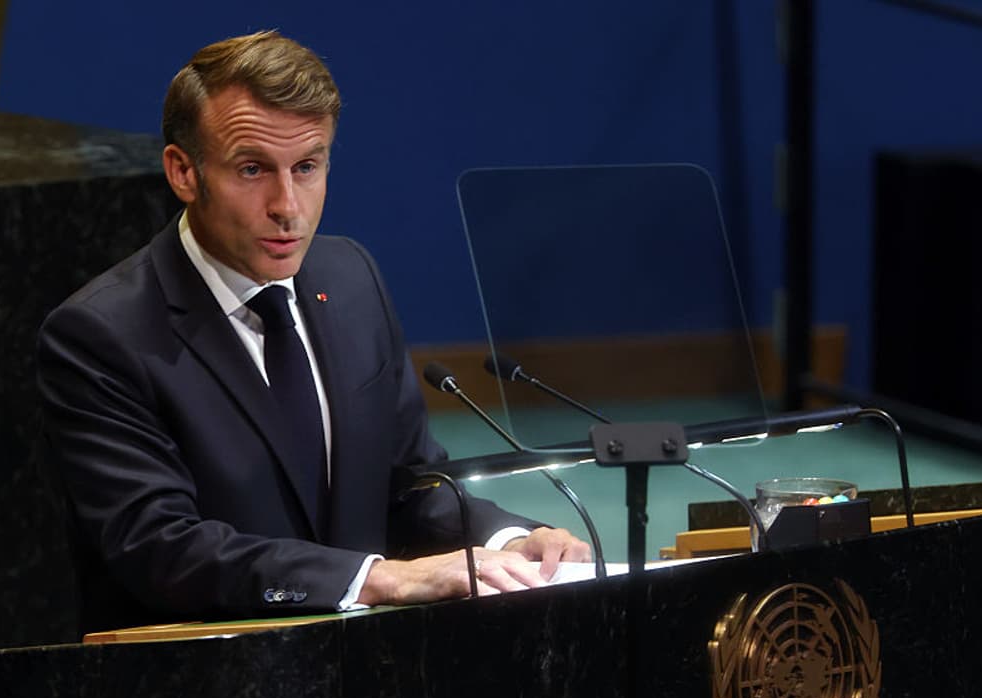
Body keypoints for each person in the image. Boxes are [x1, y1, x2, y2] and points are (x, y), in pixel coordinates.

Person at [37, 30, 590, 634]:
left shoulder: (351, 277)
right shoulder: (102, 334)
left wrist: (512, 538)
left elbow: (408, 486)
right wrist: (379, 578)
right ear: (183, 172)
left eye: (308, 166)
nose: (288, 206)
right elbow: (161, 549)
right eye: (253, 169)